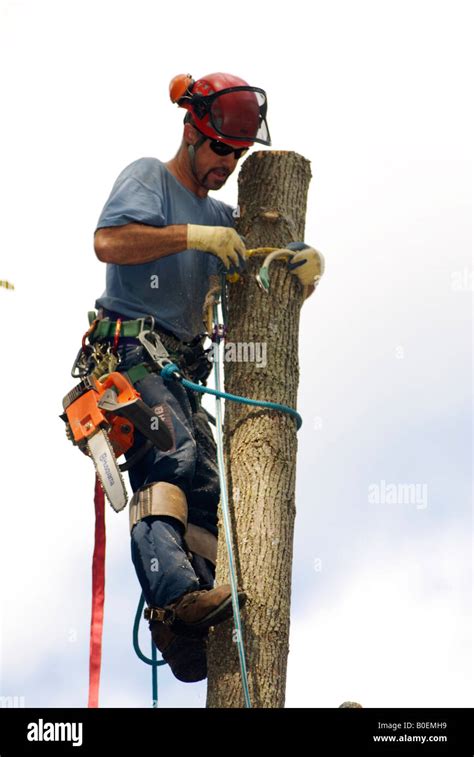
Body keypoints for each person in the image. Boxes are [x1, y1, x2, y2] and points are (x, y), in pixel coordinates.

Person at [91, 72, 322, 683]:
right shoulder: (152, 179)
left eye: (238, 153)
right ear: (192, 131)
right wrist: (192, 235)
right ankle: (172, 596)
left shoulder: (222, 217)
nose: (228, 163)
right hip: (129, 351)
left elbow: (265, 259)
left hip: (182, 371)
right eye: (221, 148)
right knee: (172, 454)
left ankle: (185, 621)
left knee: (205, 488)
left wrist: (303, 266)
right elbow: (109, 242)